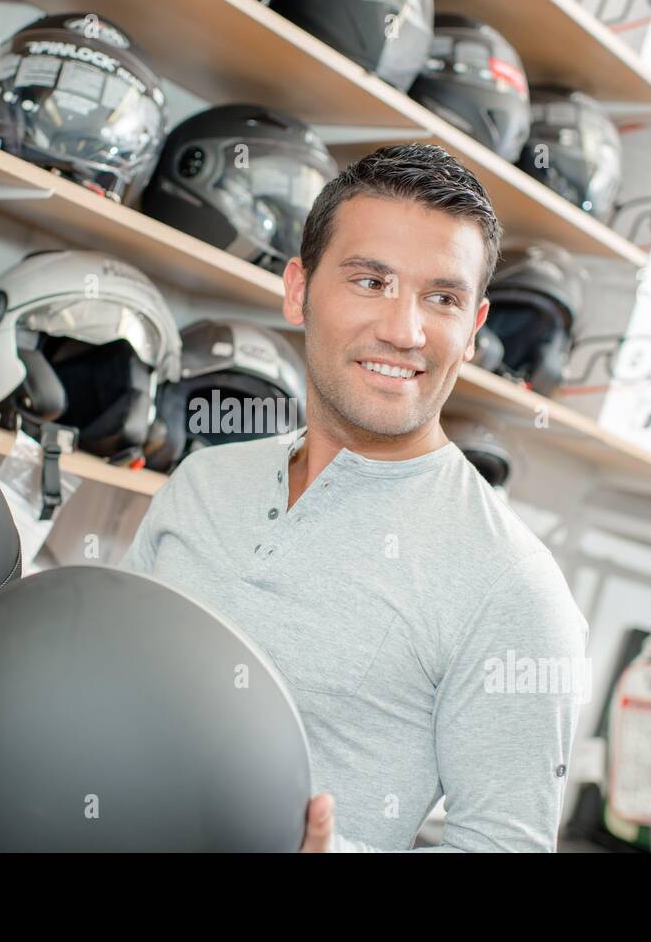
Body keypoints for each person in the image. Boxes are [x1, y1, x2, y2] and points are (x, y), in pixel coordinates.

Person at [120, 143, 589, 851]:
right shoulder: (203, 483)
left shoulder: (512, 586)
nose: (405, 331)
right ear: (298, 288)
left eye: (442, 298)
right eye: (372, 281)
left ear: (473, 330)